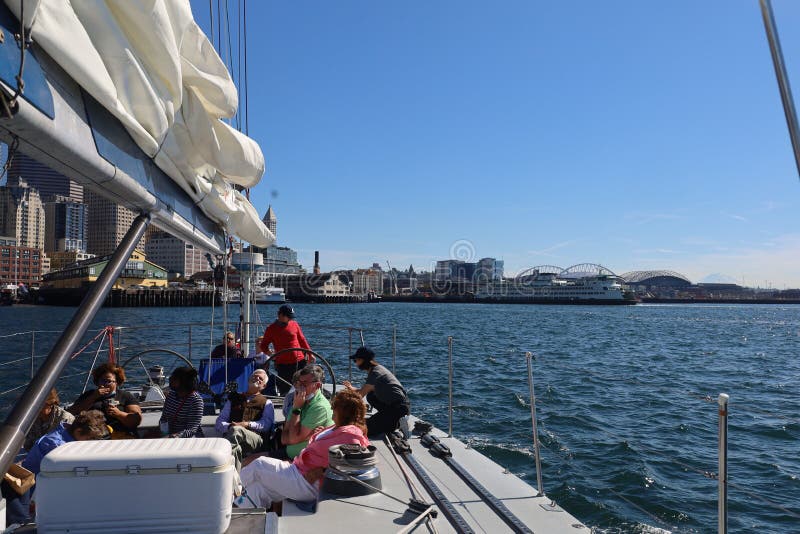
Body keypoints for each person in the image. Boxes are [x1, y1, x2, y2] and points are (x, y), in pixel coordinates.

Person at [239, 388, 370, 511]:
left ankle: (229, 491)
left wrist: (322, 471)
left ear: (343, 412)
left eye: (334, 408)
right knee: (259, 490)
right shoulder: (338, 427)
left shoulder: (351, 435)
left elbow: (351, 464)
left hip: (308, 482)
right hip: (299, 470)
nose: (331, 410)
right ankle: (239, 516)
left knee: (259, 464)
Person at [2, 410, 109, 527]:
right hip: (35, 492)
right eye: (90, 439)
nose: (91, 443)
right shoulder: (56, 446)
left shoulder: (67, 430)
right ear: (78, 431)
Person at [343, 347, 410, 438]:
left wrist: (342, 411)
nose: (356, 363)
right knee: (371, 396)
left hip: (398, 409)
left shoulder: (374, 374)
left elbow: (358, 397)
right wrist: (352, 388)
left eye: (356, 360)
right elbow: (366, 389)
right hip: (399, 405)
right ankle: (390, 420)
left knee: (364, 429)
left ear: (364, 361)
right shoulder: (377, 368)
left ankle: (395, 422)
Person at [215, 369, 275, 470]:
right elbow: (219, 422)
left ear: (264, 386)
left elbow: (266, 424)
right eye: (255, 376)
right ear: (248, 380)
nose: (257, 378)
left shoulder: (267, 403)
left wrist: (247, 424)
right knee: (236, 447)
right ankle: (234, 478)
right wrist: (229, 426)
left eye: (261, 378)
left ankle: (219, 464)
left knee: (236, 430)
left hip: (255, 439)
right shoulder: (233, 399)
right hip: (233, 436)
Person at [68, 362, 142, 438]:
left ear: (116, 382)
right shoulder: (89, 395)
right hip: (92, 436)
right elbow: (71, 413)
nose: (105, 384)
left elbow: (136, 420)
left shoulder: (125, 396)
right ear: (97, 381)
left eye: (109, 381)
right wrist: (93, 397)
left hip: (121, 436)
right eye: (103, 380)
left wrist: (119, 414)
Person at [259, 305, 311, 395]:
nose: (290, 318)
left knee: (303, 385)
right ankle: (287, 406)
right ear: (280, 315)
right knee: (285, 389)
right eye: (289, 316)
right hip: (283, 364)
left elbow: (302, 339)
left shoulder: (294, 324)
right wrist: (268, 352)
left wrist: (310, 353)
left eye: (291, 316)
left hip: (300, 361)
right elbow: (263, 345)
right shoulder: (271, 329)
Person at [159, 366, 204, 438]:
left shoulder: (195, 400)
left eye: (174, 378)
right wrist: (163, 433)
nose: (170, 380)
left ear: (184, 382)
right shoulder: (171, 395)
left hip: (188, 440)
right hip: (169, 436)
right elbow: (163, 419)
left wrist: (175, 436)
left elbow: (192, 430)